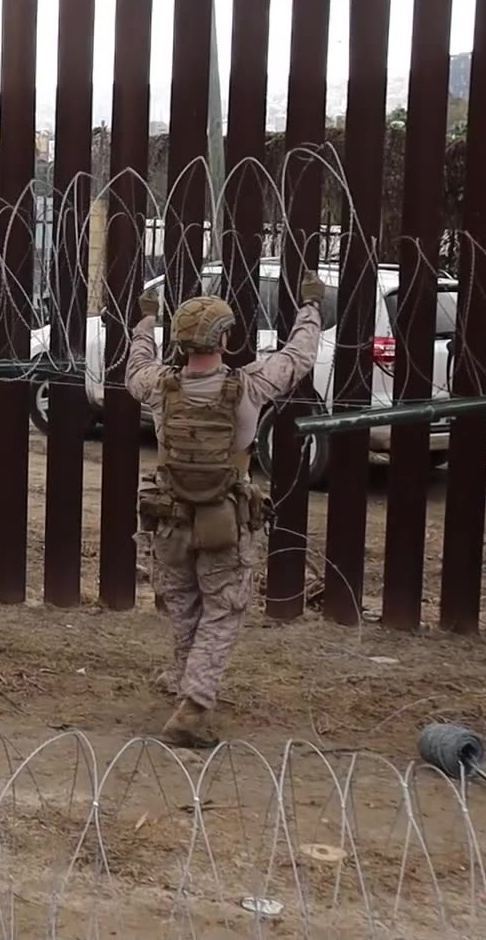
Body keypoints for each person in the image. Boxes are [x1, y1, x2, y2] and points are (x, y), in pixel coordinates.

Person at [126, 273, 323, 748]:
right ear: (226, 338)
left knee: (183, 605)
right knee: (223, 611)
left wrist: (145, 320)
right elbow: (299, 356)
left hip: (169, 518)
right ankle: (193, 707)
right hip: (225, 518)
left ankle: (183, 678)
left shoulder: (157, 385)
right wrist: (310, 307)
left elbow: (136, 365)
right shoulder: (250, 385)